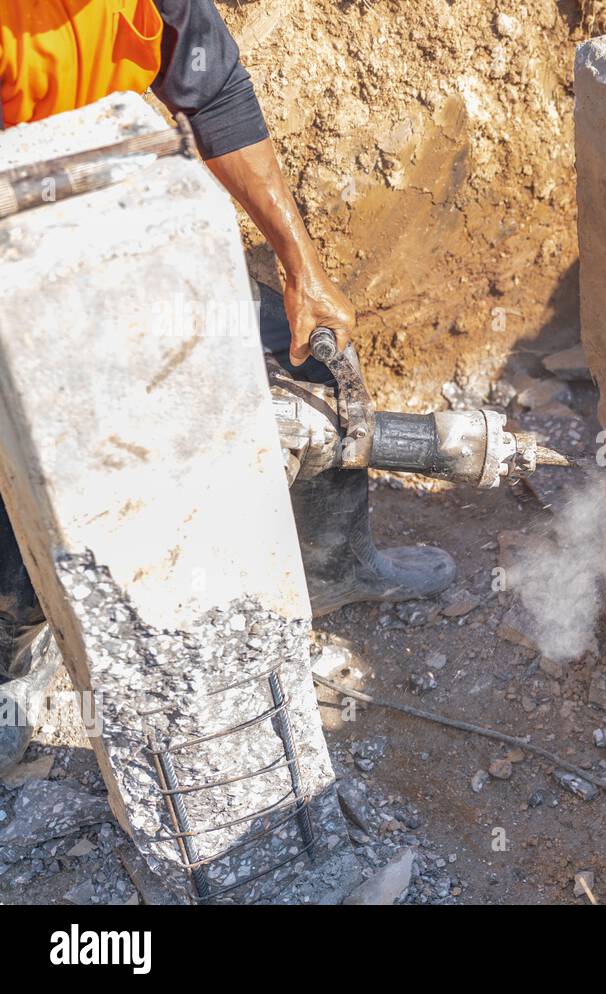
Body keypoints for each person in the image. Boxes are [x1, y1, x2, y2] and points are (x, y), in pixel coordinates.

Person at [0, 0, 456, 772]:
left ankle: (331, 563)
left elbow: (212, 92)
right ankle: (14, 653)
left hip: (98, 215)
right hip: (20, 247)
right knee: (18, 457)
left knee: (294, 348)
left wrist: (299, 264)